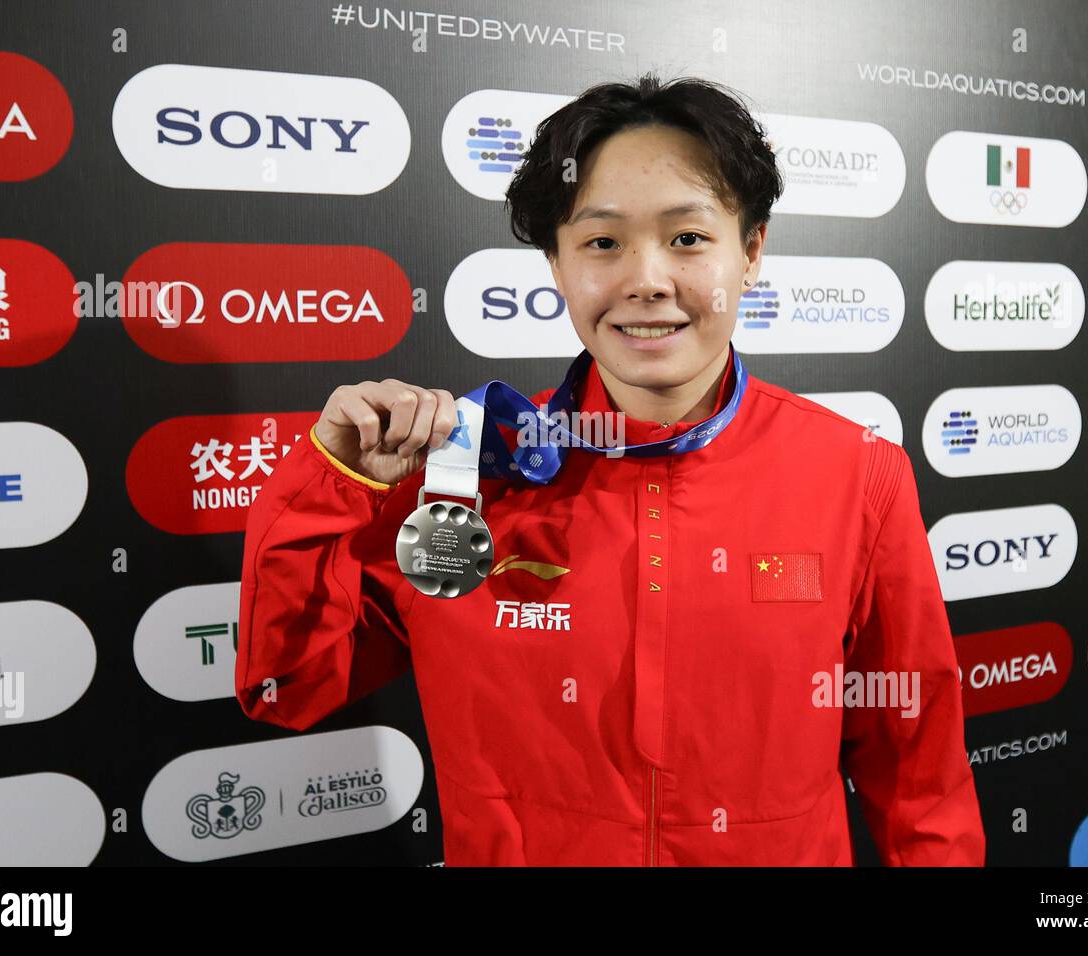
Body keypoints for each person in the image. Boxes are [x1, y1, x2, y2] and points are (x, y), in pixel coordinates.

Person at [236, 72, 986, 866]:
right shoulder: (455, 472)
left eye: (688, 238)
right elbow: (288, 687)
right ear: (557, 267)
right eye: (601, 242)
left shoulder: (856, 474)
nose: (647, 281)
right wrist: (335, 484)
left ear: (752, 251)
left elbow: (918, 776)